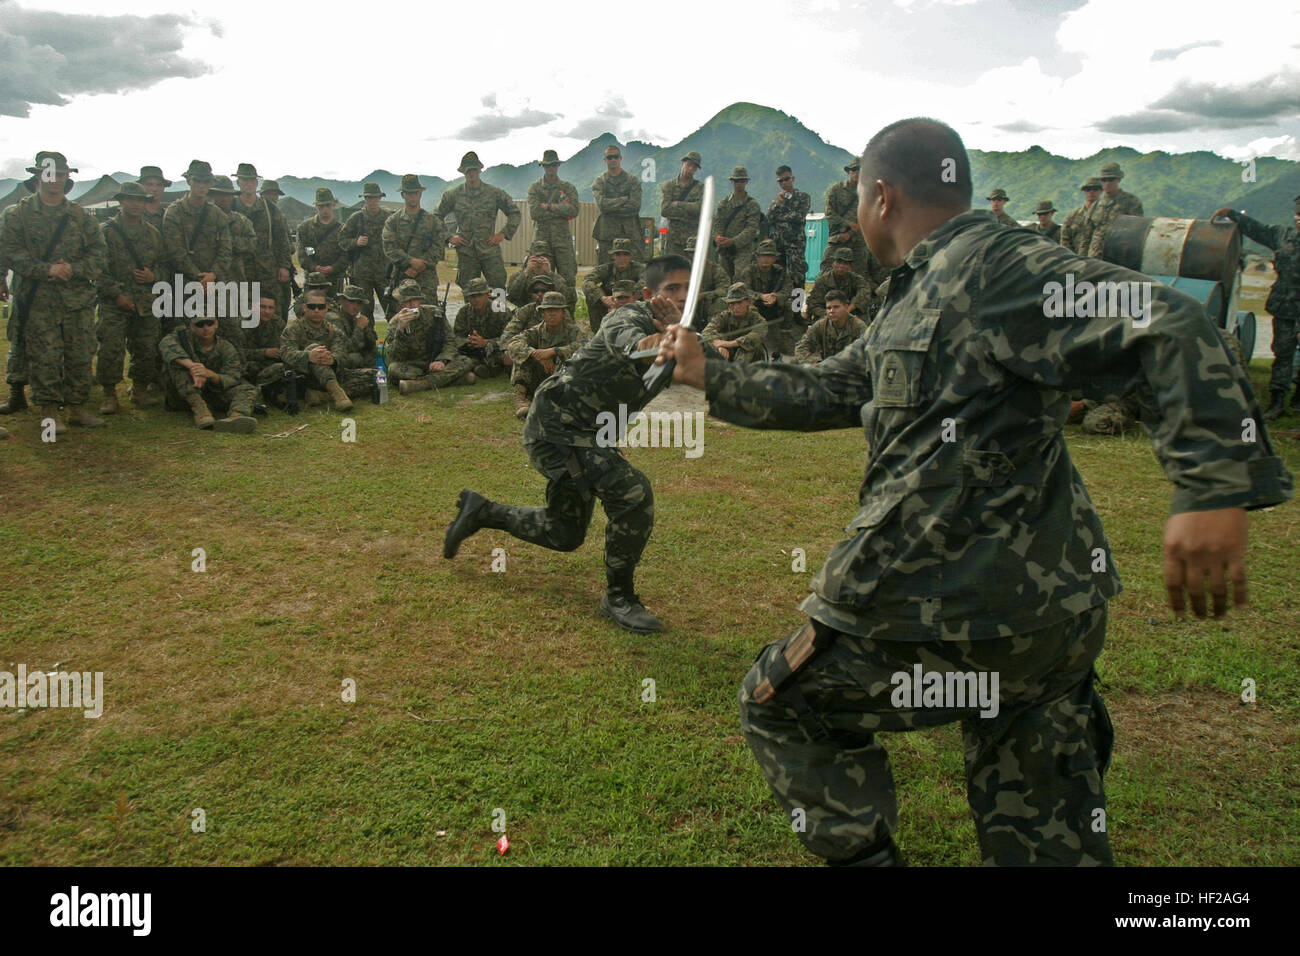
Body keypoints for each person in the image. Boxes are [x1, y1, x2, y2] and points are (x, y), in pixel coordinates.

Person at [656, 117, 1292, 867]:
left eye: (859, 201)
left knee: (784, 703)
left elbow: (1170, 320)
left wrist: (1212, 489)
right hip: (1041, 617)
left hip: (940, 601)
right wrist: (711, 374)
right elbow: (834, 388)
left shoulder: (998, 265)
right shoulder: (914, 291)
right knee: (1040, 812)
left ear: (881, 198)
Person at [444, 255, 693, 634]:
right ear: (648, 294)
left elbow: (704, 368)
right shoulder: (626, 319)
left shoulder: (686, 332)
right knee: (633, 493)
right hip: (557, 428)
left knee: (564, 533)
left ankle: (482, 512)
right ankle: (619, 596)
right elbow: (637, 347)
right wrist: (671, 335)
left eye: (689, 290)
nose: (681, 298)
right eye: (672, 289)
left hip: (592, 433)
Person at [0, 151, 107, 435]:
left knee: (80, 355)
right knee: (44, 357)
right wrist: (46, 269)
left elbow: (99, 254)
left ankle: (77, 408)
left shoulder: (81, 216)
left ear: (67, 178)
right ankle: (49, 414)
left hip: (77, 301)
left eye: (61, 174)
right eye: (49, 173)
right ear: (37, 176)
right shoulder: (16, 215)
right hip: (39, 300)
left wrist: (74, 268)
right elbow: (10, 252)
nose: (55, 179)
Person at [1213, 196, 1299, 420]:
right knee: (1282, 353)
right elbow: (1256, 228)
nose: (1299, 220)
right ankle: (1278, 401)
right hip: (1285, 307)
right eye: (1297, 215)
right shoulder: (1283, 235)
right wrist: (1232, 213)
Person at [95, 181, 165, 413]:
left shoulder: (153, 234)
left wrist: (153, 275)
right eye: (131, 199)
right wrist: (116, 295)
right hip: (114, 302)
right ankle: (108, 394)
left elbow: (164, 265)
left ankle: (140, 389)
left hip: (145, 301)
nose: (136, 204)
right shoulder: (106, 232)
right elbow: (96, 270)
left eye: (140, 200)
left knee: (145, 347)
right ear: (121, 201)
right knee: (111, 348)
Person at [158, 312, 259, 432]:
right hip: (183, 396)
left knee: (248, 388)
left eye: (209, 324)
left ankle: (237, 417)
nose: (206, 328)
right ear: (192, 326)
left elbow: (232, 377)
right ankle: (200, 410)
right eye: (200, 325)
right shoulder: (182, 338)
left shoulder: (226, 348)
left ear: (216, 324)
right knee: (176, 365)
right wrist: (194, 368)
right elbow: (165, 344)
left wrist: (210, 374)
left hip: (213, 393)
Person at [436, 151, 520, 292]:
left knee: (498, 288)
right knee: (469, 290)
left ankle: (498, 313)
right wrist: (449, 237)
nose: (471, 173)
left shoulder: (494, 193)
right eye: (468, 170)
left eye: (474, 169)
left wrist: (503, 234)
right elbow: (437, 216)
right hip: (466, 252)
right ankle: (470, 314)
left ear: (479, 170)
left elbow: (514, 212)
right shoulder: (453, 195)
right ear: (463, 172)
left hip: (489, 250)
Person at [383, 279, 475, 395]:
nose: (411, 304)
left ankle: (420, 384)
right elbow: (394, 355)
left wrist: (442, 360)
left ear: (420, 300)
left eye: (414, 300)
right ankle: (453, 379)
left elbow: (450, 341)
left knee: (465, 361)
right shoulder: (395, 322)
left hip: (437, 361)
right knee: (393, 369)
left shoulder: (435, 314)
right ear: (401, 303)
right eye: (407, 301)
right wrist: (401, 330)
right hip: (414, 365)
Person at [505, 290, 585, 419]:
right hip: (539, 375)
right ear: (542, 313)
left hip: (562, 377)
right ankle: (521, 400)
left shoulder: (574, 331)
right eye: (548, 310)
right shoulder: (536, 331)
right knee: (522, 358)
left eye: (556, 310)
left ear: (563, 313)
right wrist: (534, 354)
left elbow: (585, 346)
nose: (551, 313)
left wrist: (554, 351)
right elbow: (514, 343)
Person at [279, 289, 361, 411]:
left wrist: (333, 359)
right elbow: (286, 353)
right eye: (312, 307)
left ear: (326, 308)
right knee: (315, 350)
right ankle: (338, 395)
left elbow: (342, 353)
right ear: (304, 308)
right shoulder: (293, 329)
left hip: (328, 375)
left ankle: (321, 396)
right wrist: (308, 356)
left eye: (320, 307)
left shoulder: (333, 330)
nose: (316, 310)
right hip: (303, 376)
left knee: (374, 377)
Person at [382, 174, 447, 302]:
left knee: (428, 316)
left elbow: (438, 247)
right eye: (409, 193)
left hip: (426, 280)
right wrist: (410, 261)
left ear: (420, 194)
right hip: (402, 277)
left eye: (415, 193)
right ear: (403, 195)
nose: (413, 196)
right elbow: (389, 248)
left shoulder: (433, 221)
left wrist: (419, 266)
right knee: (402, 317)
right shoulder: (393, 221)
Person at [340, 183, 392, 318]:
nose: (372, 201)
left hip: (384, 273)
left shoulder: (389, 218)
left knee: (391, 309)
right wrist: (355, 242)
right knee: (364, 312)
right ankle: (365, 339)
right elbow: (342, 241)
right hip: (362, 274)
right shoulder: (356, 218)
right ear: (365, 199)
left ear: (380, 198)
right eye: (369, 198)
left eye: (375, 197)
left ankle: (395, 338)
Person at [738, 238, 796, 358]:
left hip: (774, 304)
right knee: (748, 308)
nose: (765, 258)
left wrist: (775, 297)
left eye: (769, 256)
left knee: (789, 305)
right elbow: (744, 290)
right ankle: (752, 341)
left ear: (775, 258)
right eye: (762, 255)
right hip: (756, 303)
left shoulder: (780, 272)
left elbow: (787, 290)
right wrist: (760, 296)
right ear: (757, 256)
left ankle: (785, 341)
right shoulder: (749, 271)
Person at [527, 150, 579, 284]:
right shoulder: (535, 188)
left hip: (563, 241)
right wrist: (561, 209)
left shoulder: (567, 187)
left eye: (554, 165)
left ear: (558, 166)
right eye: (548, 165)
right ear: (543, 167)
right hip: (542, 241)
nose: (551, 168)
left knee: (567, 279)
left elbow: (573, 210)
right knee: (540, 279)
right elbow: (535, 213)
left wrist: (549, 207)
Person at [453, 276, 513, 379]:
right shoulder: (464, 312)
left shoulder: (500, 310)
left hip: (496, 349)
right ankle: (481, 367)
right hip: (474, 350)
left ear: (487, 295)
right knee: (456, 355)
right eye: (472, 296)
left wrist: (486, 342)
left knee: (508, 354)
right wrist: (469, 341)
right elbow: (456, 337)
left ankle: (488, 367)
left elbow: (510, 338)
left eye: (479, 295)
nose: (476, 299)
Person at [592, 144, 643, 264]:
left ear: (620, 158)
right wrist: (624, 199)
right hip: (607, 235)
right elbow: (602, 206)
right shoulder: (600, 182)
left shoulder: (633, 180)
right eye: (610, 157)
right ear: (605, 160)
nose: (613, 160)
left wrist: (611, 207)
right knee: (605, 270)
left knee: (635, 270)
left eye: (616, 157)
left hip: (630, 232)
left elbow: (635, 206)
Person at [582, 237, 644, 332]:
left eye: (625, 255)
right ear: (613, 256)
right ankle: (599, 331)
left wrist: (631, 298)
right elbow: (587, 281)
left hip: (634, 302)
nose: (622, 258)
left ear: (630, 256)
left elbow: (648, 280)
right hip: (610, 303)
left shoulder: (639, 268)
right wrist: (603, 298)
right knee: (592, 298)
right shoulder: (606, 268)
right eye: (618, 255)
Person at [1085, 162, 1143, 259]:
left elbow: (1136, 233)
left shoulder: (1131, 202)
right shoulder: (1096, 205)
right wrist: (1083, 259)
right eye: (1104, 180)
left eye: (1111, 179)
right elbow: (1086, 236)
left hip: (1118, 258)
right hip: (1095, 258)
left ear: (1119, 180)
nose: (1107, 183)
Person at [792, 289, 866, 365]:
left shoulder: (858, 326)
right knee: (794, 362)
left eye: (836, 307)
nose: (832, 311)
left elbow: (868, 351)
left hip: (849, 369)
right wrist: (814, 362)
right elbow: (801, 347)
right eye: (828, 308)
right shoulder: (822, 325)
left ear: (846, 308)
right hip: (826, 368)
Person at [821, 158, 869, 275]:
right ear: (849, 172)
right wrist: (847, 224)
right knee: (826, 271)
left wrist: (850, 233)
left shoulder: (868, 193)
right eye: (854, 169)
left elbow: (869, 217)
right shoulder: (836, 190)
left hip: (857, 241)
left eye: (860, 169)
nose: (857, 172)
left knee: (860, 274)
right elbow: (829, 213)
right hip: (837, 238)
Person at [714, 166, 762, 280]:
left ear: (746, 182)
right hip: (724, 249)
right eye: (736, 181)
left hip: (743, 250)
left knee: (741, 278)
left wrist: (733, 241)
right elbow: (717, 224)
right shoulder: (724, 203)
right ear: (732, 182)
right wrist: (718, 238)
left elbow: (751, 229)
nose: (739, 184)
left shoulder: (752, 205)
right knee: (723, 279)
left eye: (742, 181)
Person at [297, 188, 348, 294]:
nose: (325, 209)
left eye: (328, 205)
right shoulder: (305, 227)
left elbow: (346, 254)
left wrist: (333, 268)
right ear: (316, 206)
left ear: (334, 205)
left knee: (333, 308)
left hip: (335, 278)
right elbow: (302, 254)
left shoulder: (342, 229)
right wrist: (315, 267)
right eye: (321, 206)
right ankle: (254, 311)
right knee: (313, 308)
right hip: (313, 279)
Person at [768, 165, 811, 288]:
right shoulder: (776, 200)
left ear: (793, 179)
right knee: (777, 276)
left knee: (797, 275)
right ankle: (780, 305)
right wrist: (777, 204)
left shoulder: (803, 197)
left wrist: (780, 216)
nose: (784, 183)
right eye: (780, 181)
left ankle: (797, 306)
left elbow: (799, 216)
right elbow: (769, 218)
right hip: (778, 244)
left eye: (786, 179)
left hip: (795, 243)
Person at [701, 283, 766, 362]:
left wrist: (728, 344)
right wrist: (719, 346)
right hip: (729, 353)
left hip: (751, 359)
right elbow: (706, 332)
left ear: (748, 302)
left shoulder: (756, 319)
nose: (735, 307)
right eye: (732, 303)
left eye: (739, 303)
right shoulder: (724, 316)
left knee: (748, 348)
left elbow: (757, 335)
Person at [806, 248, 872, 323]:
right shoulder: (822, 281)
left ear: (850, 266)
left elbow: (864, 292)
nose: (841, 266)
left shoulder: (856, 279)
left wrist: (849, 309)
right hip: (828, 315)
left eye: (845, 263)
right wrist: (831, 314)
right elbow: (813, 304)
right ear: (833, 264)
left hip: (850, 315)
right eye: (838, 262)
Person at [660, 151, 704, 256]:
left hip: (693, 241)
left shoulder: (701, 187)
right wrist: (690, 211)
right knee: (672, 269)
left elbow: (700, 209)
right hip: (673, 240)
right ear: (682, 163)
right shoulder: (668, 186)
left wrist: (679, 204)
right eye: (688, 165)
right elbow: (665, 210)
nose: (690, 169)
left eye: (694, 167)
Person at [1060, 178, 1102, 255]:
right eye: (1088, 189)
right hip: (1078, 261)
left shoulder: (1107, 215)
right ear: (1084, 192)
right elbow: (1065, 242)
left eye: (1095, 189)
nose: (1091, 192)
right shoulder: (1072, 217)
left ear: (1101, 191)